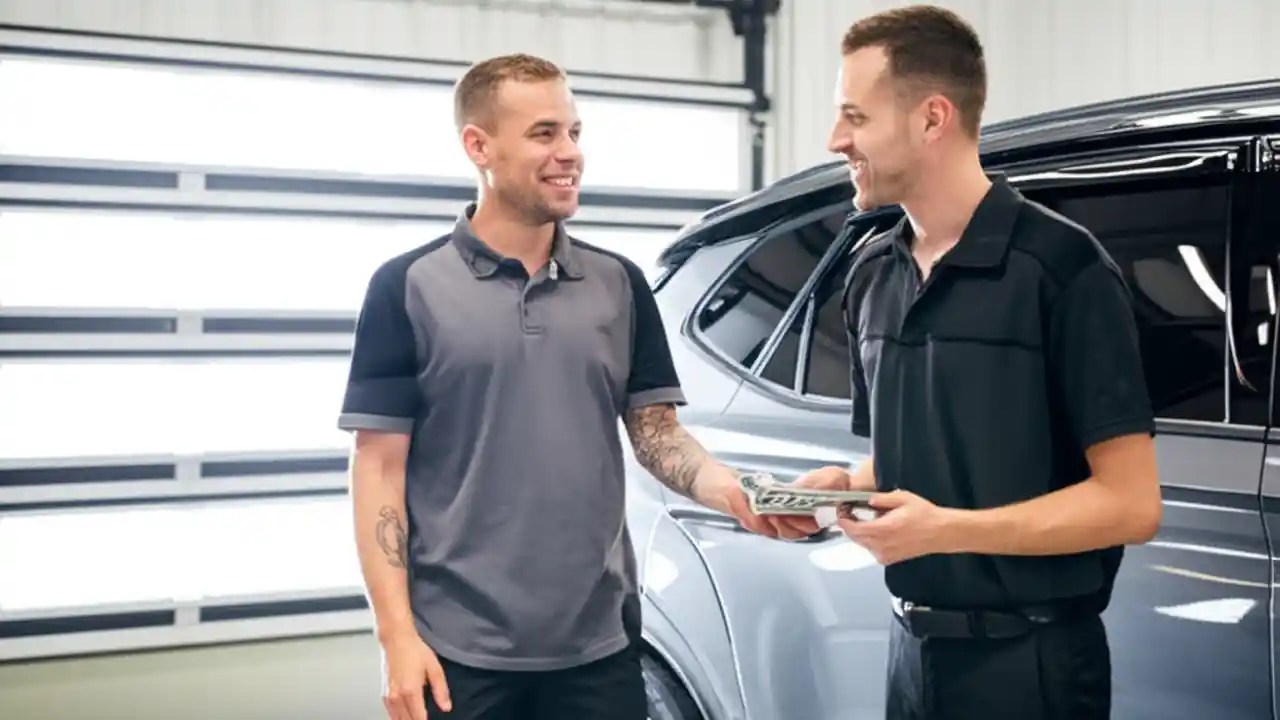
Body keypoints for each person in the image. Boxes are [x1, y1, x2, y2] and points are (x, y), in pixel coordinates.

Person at [762, 6, 1162, 719]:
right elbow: (913, 463)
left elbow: (1131, 504)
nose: (834, 140)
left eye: (855, 116)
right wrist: (840, 491)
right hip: (910, 658)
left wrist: (945, 530)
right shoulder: (871, 276)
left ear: (932, 117)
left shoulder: (1061, 270)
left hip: (1032, 667)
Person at [337, 53, 763, 720]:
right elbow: (378, 469)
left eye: (575, 132)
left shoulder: (618, 285)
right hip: (457, 652)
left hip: (599, 650)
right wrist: (396, 636)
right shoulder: (406, 287)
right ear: (479, 145)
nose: (570, 154)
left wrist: (732, 490)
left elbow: (656, 434)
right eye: (544, 134)